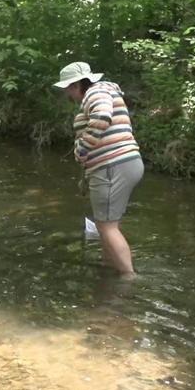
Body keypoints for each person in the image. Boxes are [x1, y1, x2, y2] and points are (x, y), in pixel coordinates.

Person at [54, 61, 144, 276]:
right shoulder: (103, 92)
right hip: (121, 164)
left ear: (76, 84)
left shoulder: (96, 92)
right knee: (109, 225)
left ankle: (128, 278)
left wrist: (82, 149)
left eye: (68, 88)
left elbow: (103, 117)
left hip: (112, 166)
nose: (68, 93)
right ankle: (108, 269)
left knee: (106, 227)